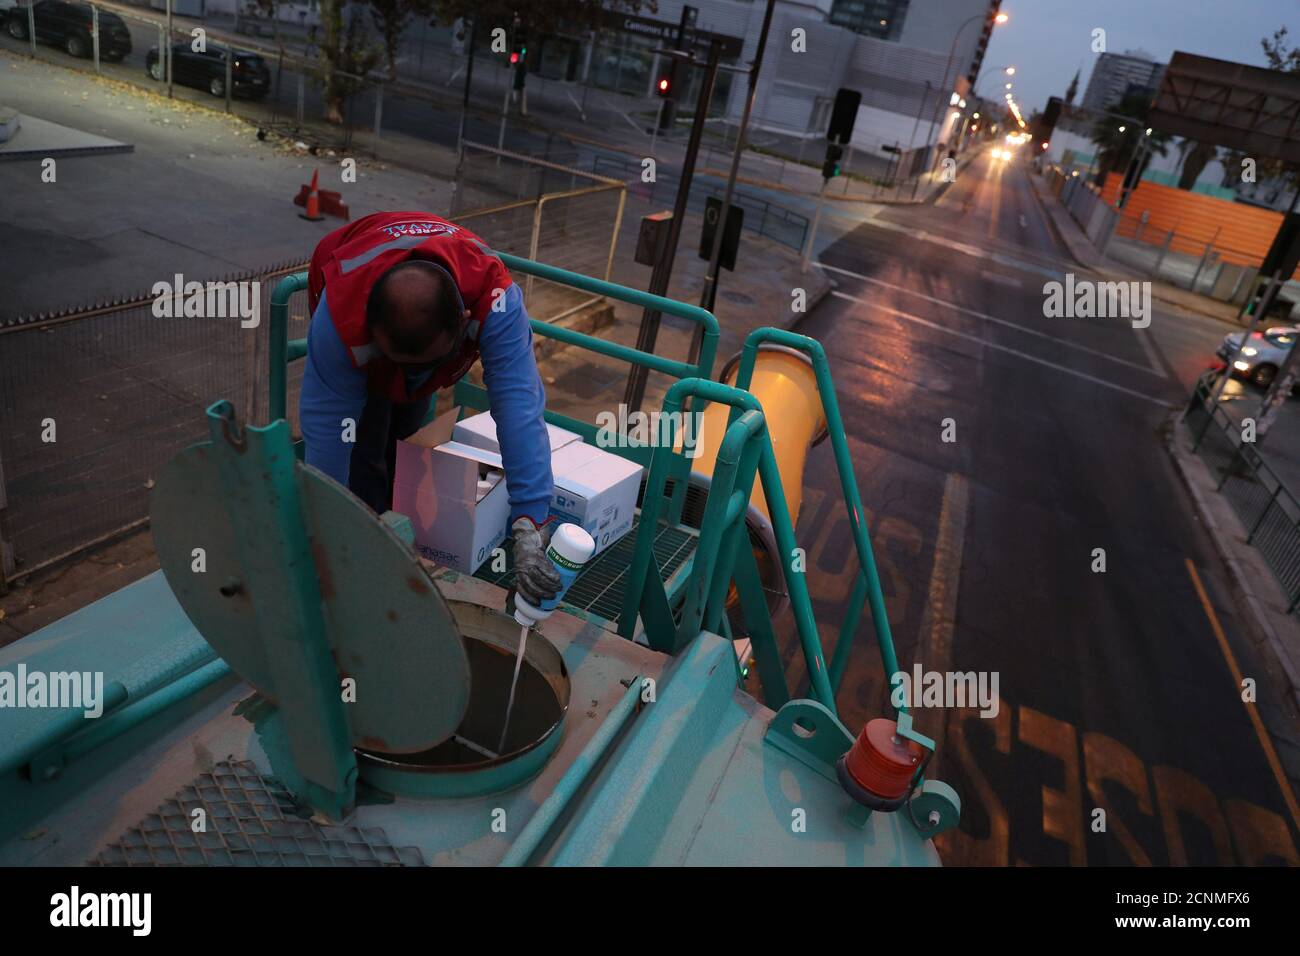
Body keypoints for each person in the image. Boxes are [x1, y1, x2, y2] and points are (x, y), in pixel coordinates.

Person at [300, 211, 561, 611]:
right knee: (364, 445)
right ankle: (370, 543)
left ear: (463, 321)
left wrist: (531, 523)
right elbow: (328, 433)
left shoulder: (495, 297)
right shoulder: (339, 316)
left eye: (423, 365)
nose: (410, 377)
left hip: (424, 327)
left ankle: (392, 517)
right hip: (343, 270)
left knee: (406, 430)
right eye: (400, 363)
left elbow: (519, 406)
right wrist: (328, 533)